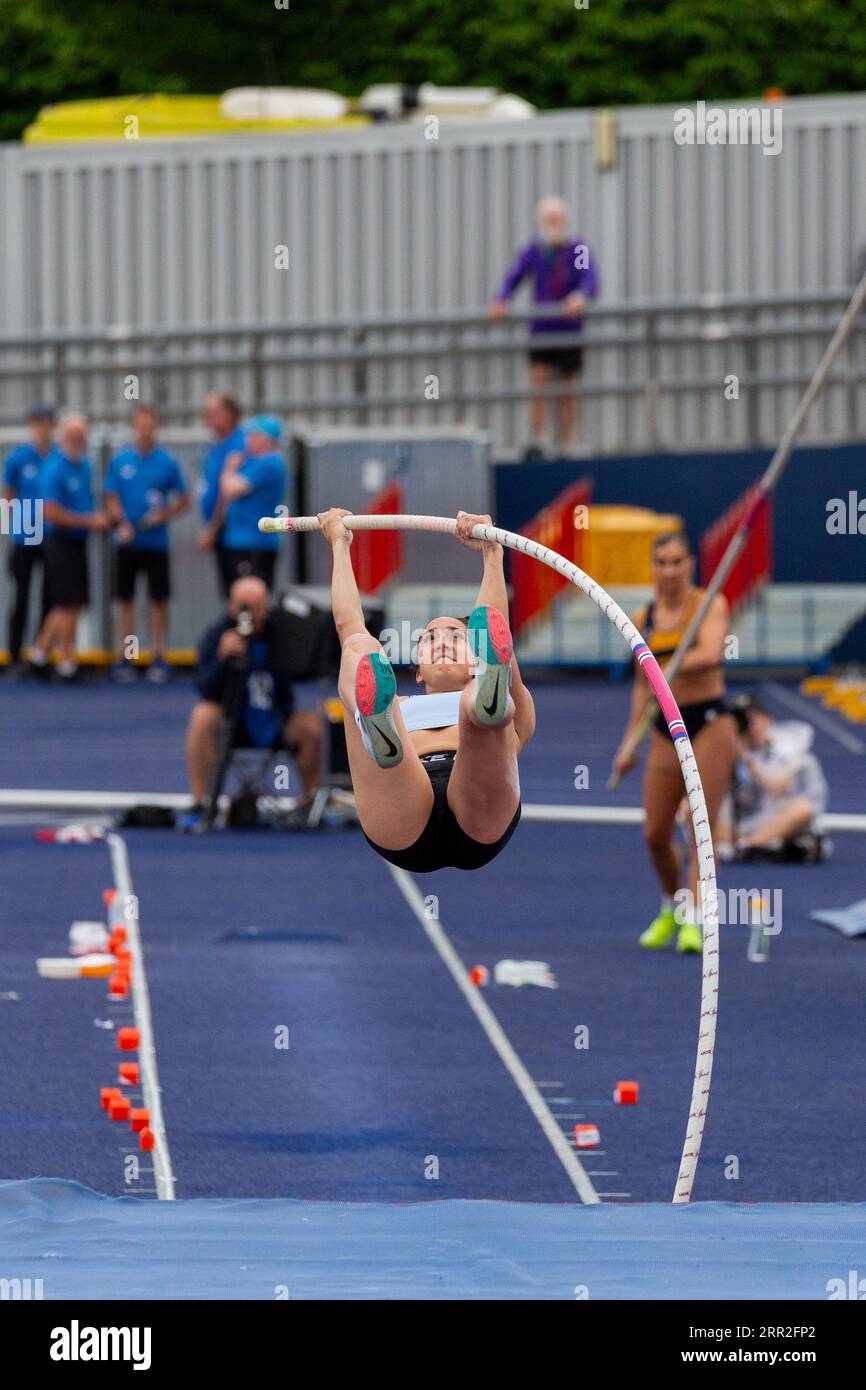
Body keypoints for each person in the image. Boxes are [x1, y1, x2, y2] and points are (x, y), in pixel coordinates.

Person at [319, 507, 535, 872]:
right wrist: (340, 544)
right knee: (356, 648)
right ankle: (378, 727)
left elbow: (493, 621)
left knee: (479, 705)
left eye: (456, 636)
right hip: (400, 806)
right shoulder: (399, 704)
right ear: (418, 672)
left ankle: (487, 704)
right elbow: (348, 623)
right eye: (430, 637)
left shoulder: (497, 681)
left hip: (480, 810)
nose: (442, 641)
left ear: (475, 657)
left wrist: (491, 551)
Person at [611, 532, 737, 953]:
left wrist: (663, 664)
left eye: (677, 561)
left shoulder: (709, 605)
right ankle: (673, 907)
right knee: (655, 832)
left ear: (691, 564)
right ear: (652, 567)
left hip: (710, 722)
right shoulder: (642, 617)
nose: (669, 571)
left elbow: (711, 653)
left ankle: (698, 921)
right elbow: (640, 687)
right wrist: (628, 743)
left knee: (700, 824)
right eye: (661, 562)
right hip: (665, 725)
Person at [185, 576, 321, 822]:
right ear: (230, 606)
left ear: (265, 608)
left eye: (254, 607)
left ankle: (311, 804)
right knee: (202, 715)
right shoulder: (217, 634)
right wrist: (222, 659)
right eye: (241, 606)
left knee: (310, 726)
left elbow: (302, 672)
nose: (246, 613)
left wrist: (273, 650)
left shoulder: (281, 632)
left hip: (276, 719)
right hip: (233, 722)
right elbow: (203, 686)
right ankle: (200, 802)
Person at [491, 196, 598, 458]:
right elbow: (513, 277)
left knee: (568, 389)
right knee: (537, 385)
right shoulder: (534, 251)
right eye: (549, 220)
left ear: (565, 221)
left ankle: (567, 443)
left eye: (557, 219)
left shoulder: (578, 250)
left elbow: (590, 279)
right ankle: (538, 440)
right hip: (541, 330)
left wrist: (580, 297)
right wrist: (500, 299)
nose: (553, 224)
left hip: (569, 330)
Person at [104, 405, 190, 683]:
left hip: (155, 543)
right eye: (140, 424)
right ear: (134, 427)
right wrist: (122, 522)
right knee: (125, 599)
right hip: (128, 542)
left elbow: (184, 499)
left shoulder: (167, 461)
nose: (144, 430)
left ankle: (158, 654)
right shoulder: (121, 460)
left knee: (157, 600)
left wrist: (163, 515)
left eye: (149, 424)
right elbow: (111, 495)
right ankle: (127, 655)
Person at [28, 414, 109, 682]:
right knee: (67, 602)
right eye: (73, 437)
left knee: (69, 602)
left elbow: (86, 500)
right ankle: (66, 660)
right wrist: (88, 521)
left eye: (82, 436)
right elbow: (50, 512)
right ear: (63, 438)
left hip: (77, 540)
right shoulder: (54, 468)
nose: (79, 441)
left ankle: (40, 652)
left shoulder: (84, 466)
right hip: (60, 541)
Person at [718, 694, 829, 861]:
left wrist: (746, 759)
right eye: (744, 720)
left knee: (802, 809)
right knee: (691, 806)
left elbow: (777, 787)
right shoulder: (729, 751)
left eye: (755, 718)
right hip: (742, 820)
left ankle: (748, 845)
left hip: (779, 819)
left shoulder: (790, 748)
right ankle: (746, 845)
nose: (751, 726)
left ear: (768, 719)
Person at [202, 415, 286, 595]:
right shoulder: (252, 462)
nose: (248, 440)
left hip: (255, 543)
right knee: (234, 597)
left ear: (267, 439)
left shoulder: (270, 463)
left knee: (249, 598)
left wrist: (230, 467)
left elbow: (229, 489)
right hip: (238, 541)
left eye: (254, 435)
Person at [3, 405, 55, 673]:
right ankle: (14, 655)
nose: (41, 429)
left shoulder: (57, 458)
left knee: (49, 598)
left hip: (52, 536)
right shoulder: (19, 458)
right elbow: (8, 494)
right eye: (37, 423)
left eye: (46, 423)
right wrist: (7, 528)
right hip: (25, 535)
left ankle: (40, 655)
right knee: (21, 597)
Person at [198, 391, 244, 590]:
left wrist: (213, 528)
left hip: (234, 534)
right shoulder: (216, 446)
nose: (207, 418)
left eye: (213, 412)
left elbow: (227, 493)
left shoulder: (239, 444)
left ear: (229, 414)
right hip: (223, 536)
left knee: (239, 594)